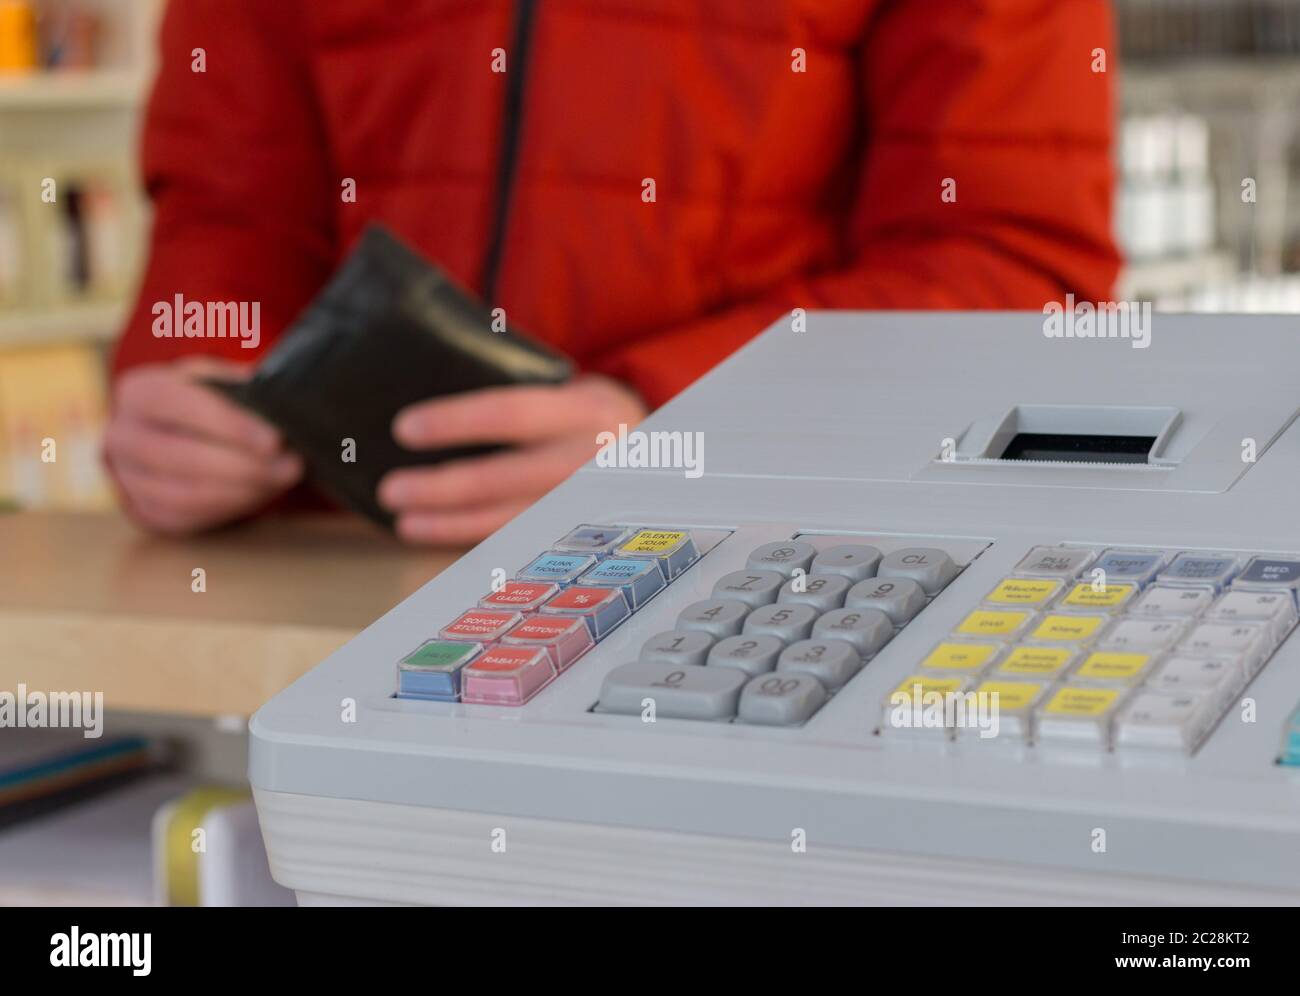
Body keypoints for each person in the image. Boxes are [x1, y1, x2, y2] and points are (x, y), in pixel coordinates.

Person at [105, 0, 1120, 544]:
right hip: (333, 601)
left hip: (753, 594)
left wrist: (671, 421)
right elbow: (230, 217)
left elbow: (1010, 264)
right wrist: (189, 393)